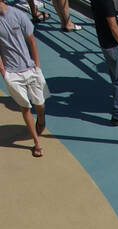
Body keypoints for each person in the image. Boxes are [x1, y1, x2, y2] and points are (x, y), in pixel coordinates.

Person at [0, 0, 49, 157]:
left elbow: (32, 41)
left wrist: (38, 67)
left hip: (31, 69)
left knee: (40, 105)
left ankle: (41, 119)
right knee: (25, 108)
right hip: (12, 74)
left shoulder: (19, 15)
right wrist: (4, 73)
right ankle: (37, 142)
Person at [89, 0, 118, 125]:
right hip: (113, 45)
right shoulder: (107, 2)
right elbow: (113, 25)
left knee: (116, 76)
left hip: (104, 42)